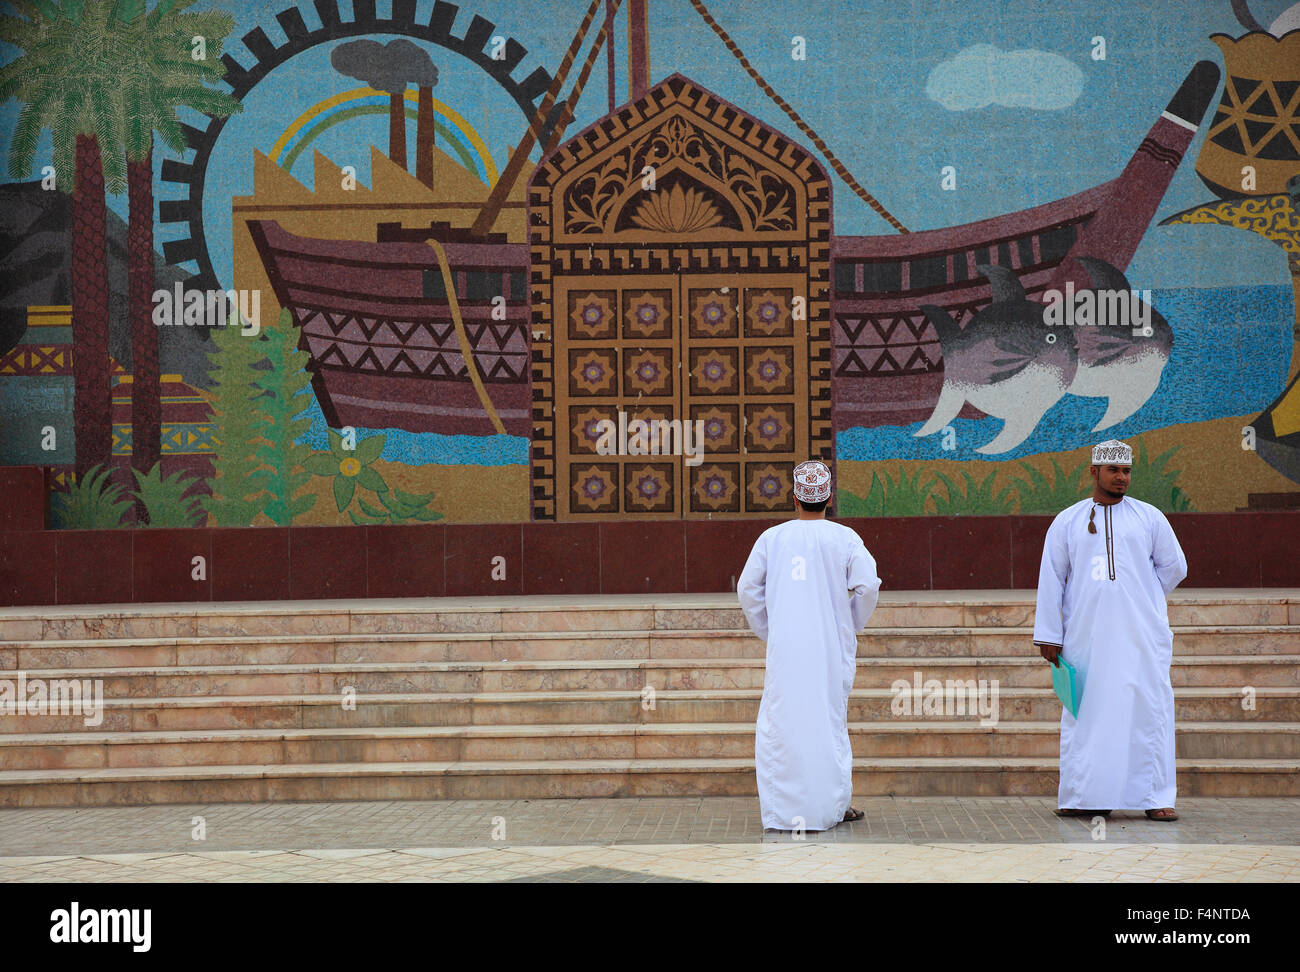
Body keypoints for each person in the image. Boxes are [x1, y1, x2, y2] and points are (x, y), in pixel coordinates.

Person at [1032, 439, 1188, 821]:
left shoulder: (1149, 517)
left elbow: (1174, 568)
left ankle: (1155, 797)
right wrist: (1049, 634)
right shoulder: (1067, 521)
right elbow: (1052, 579)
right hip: (1085, 637)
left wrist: (1141, 599)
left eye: (1127, 471)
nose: (1122, 478)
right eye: (1114, 471)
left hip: (1141, 636)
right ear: (1094, 472)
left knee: (1148, 709)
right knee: (1087, 711)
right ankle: (1085, 796)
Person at [737, 460, 882, 831]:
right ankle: (832, 807)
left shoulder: (772, 538)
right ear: (828, 498)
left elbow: (747, 590)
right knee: (828, 722)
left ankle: (782, 813)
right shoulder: (845, 538)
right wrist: (848, 625)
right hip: (829, 651)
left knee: (783, 724)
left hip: (786, 650)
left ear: (795, 499)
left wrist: (770, 629)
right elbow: (868, 585)